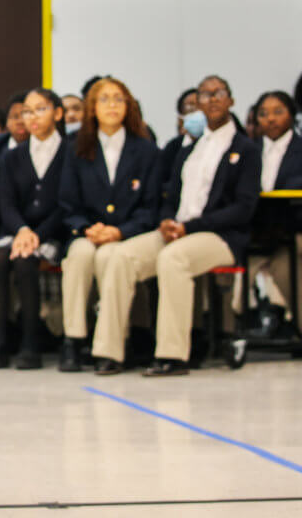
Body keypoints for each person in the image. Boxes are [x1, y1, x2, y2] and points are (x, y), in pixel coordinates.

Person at [95, 75, 260, 376]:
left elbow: (243, 208)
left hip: (219, 236)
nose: (211, 99)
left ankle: (172, 355)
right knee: (122, 256)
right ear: (196, 104)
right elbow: (169, 192)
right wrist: (167, 221)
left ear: (231, 101)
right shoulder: (189, 147)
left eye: (218, 93)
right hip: (177, 229)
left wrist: (192, 226)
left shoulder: (245, 149)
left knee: (174, 258)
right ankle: (110, 352)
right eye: (204, 94)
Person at [56, 77, 159, 372]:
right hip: (88, 230)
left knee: (110, 256)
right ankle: (73, 340)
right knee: (80, 255)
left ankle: (110, 345)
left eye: (118, 99)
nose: (112, 105)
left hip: (128, 233)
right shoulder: (75, 148)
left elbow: (150, 207)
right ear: (92, 108)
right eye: (104, 99)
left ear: (128, 106)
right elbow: (67, 202)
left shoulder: (146, 150)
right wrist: (87, 228)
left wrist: (120, 231)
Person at [0, 89, 67, 370]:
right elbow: (6, 203)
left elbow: (67, 203)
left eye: (40, 109)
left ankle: (32, 345)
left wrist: (37, 235)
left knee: (26, 260)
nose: (32, 117)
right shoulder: (13, 156)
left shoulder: (71, 151)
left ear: (58, 113)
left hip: (54, 232)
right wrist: (22, 231)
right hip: (19, 231)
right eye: (27, 111)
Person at [246, 91, 302, 337]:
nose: (270, 119)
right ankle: (228, 333)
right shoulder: (248, 151)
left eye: (278, 111)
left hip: (293, 228)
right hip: (254, 231)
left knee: (291, 268)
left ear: (292, 114)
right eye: (263, 113)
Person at [158, 88, 201, 198]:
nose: (196, 111)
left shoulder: (218, 145)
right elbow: (161, 183)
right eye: (190, 106)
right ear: (181, 116)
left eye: (199, 106)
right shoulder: (174, 148)